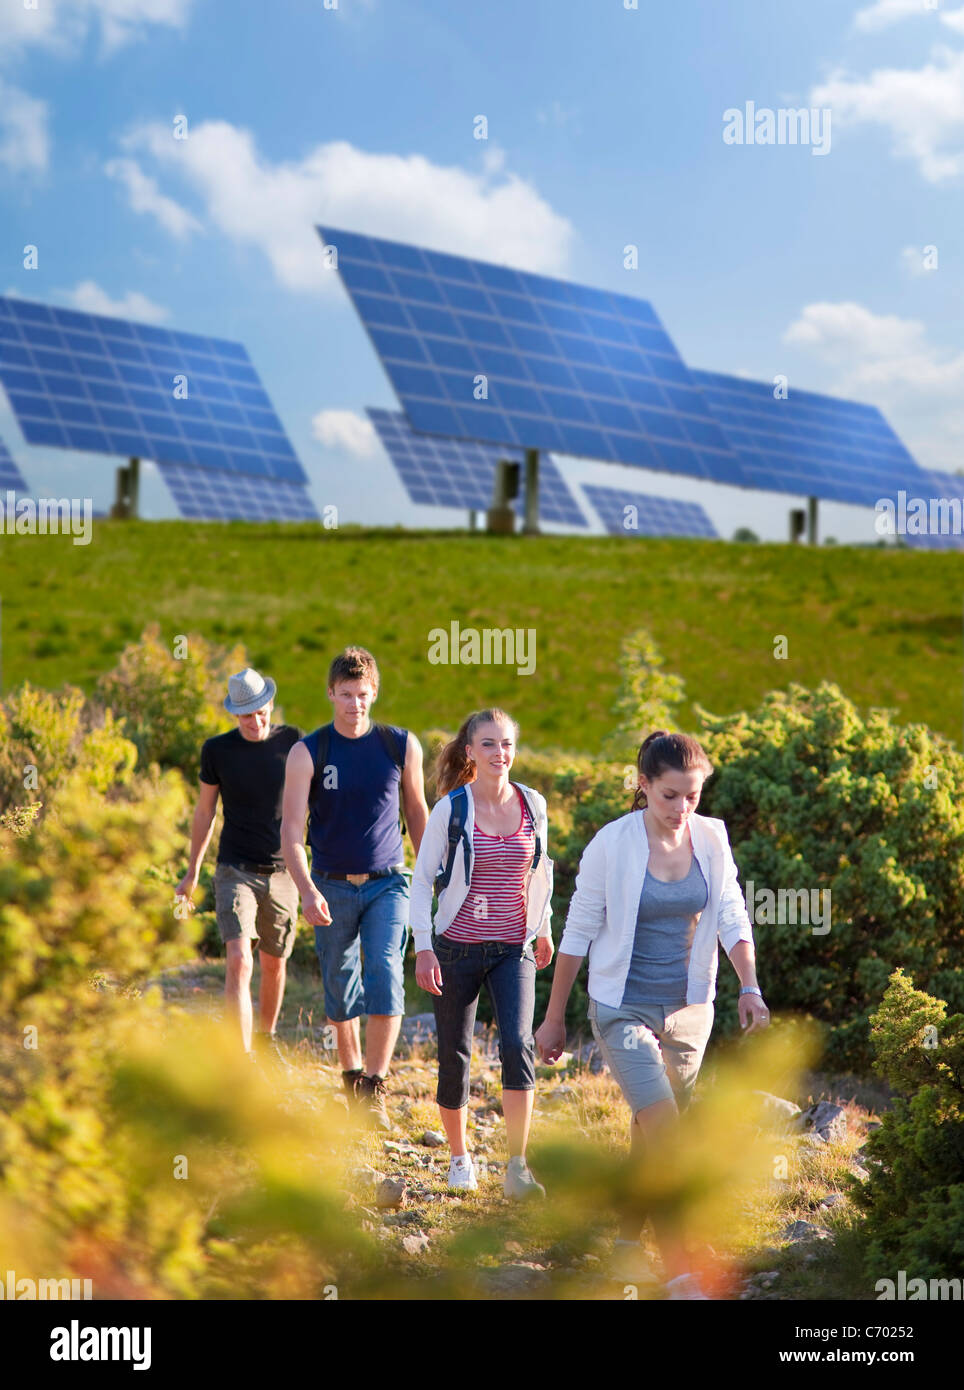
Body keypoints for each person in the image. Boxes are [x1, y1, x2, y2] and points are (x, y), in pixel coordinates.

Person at [535, 730, 769, 1299]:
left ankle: (622, 1246)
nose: (682, 808)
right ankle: (682, 1269)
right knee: (666, 1132)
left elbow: (733, 914)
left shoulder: (712, 838)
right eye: (669, 795)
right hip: (622, 1007)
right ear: (643, 786)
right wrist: (555, 1016)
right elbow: (579, 931)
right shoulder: (610, 845)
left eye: (692, 795)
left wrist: (750, 987)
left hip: (691, 1009)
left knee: (649, 1131)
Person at [282, 646, 429, 1129]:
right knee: (340, 987)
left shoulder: (401, 746)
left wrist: (432, 878)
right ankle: (351, 1082)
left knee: (385, 972)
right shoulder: (308, 752)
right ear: (331, 693)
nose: (355, 704)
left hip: (389, 883)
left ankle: (376, 1085)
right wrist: (306, 890)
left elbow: (416, 813)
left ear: (375, 693)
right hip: (329, 885)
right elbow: (291, 834)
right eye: (346, 694)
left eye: (363, 695)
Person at [410, 708, 554, 1198]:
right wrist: (424, 948)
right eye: (489, 744)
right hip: (456, 947)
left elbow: (540, 871)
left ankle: (517, 1166)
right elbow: (421, 881)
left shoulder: (534, 804)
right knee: (454, 1055)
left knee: (518, 1044)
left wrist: (545, 928)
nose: (500, 753)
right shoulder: (451, 809)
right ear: (470, 751)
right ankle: (459, 1158)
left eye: (507, 743)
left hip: (514, 946)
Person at [176, 667, 303, 1060]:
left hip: (284, 872)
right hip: (234, 869)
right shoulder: (217, 750)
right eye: (246, 714)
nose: (255, 720)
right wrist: (192, 870)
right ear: (234, 714)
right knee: (238, 958)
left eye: (261, 711)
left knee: (274, 963)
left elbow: (315, 802)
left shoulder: (295, 742)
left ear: (269, 705)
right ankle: (239, 1059)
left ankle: (265, 1042)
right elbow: (204, 811)